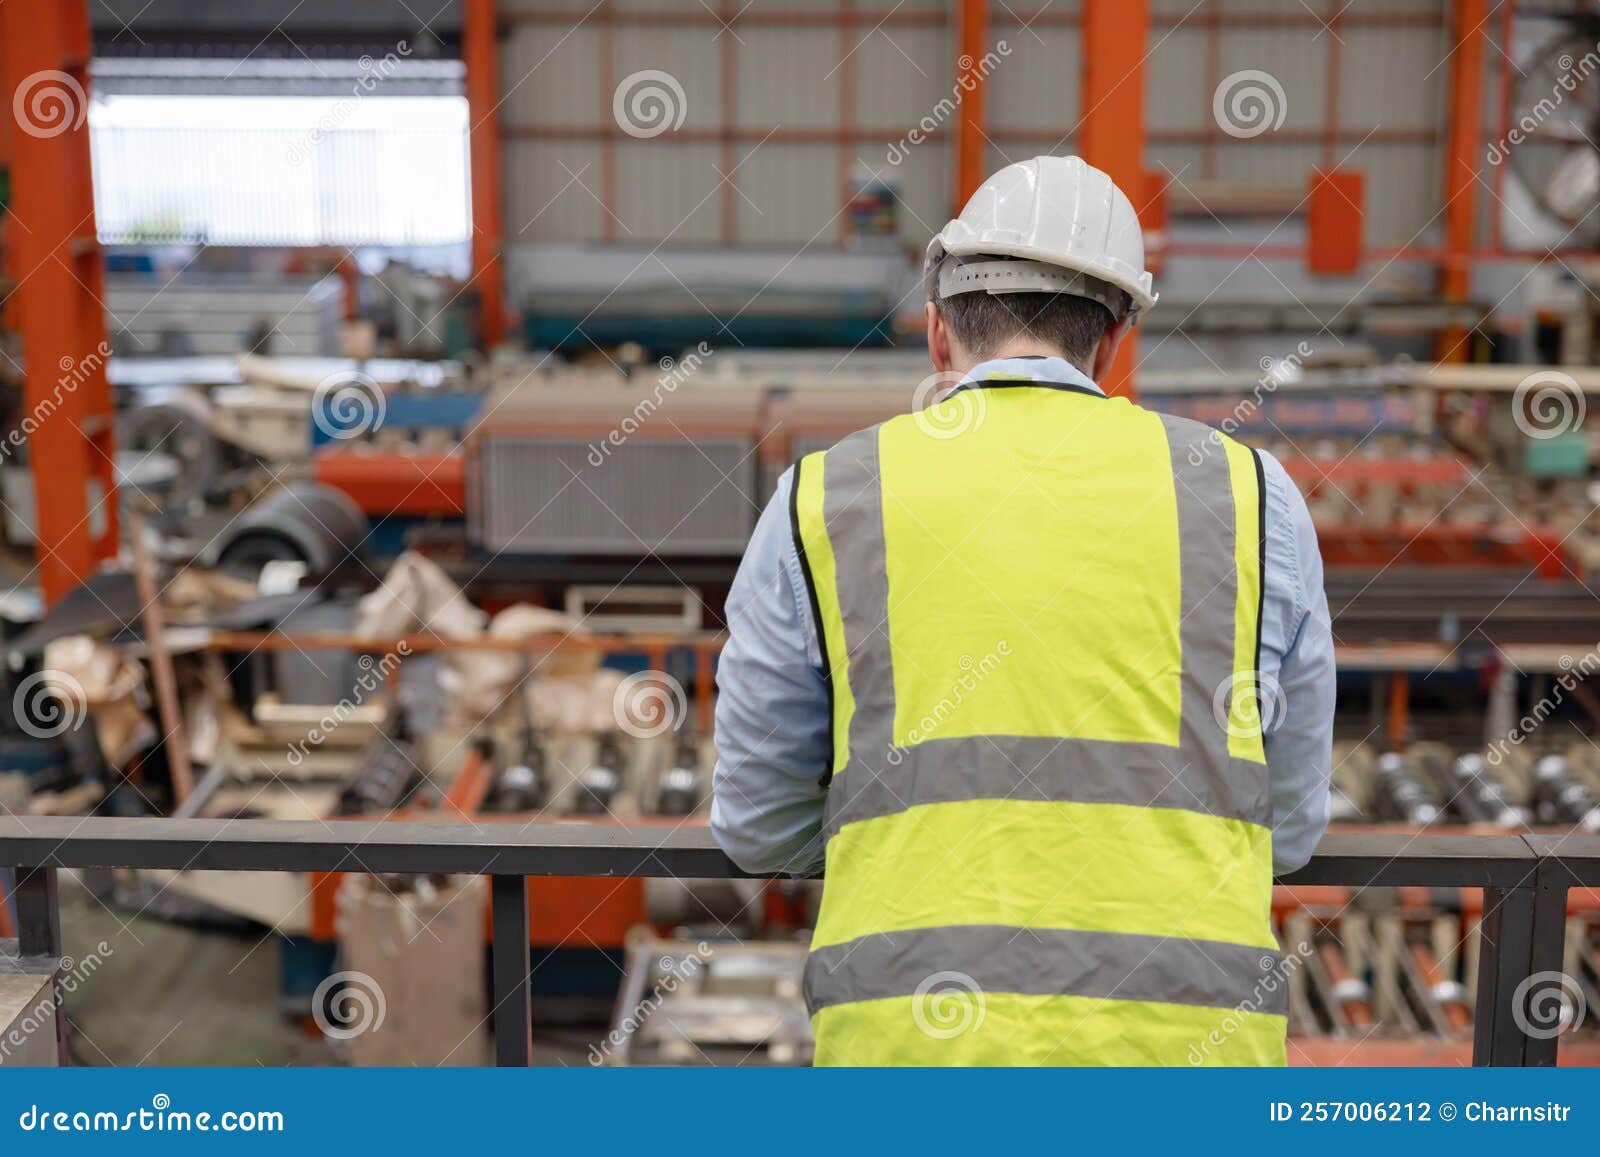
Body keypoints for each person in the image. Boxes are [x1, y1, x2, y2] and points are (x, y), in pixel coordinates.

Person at [711, 155, 1334, 1065]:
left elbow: (758, 823)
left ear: (937, 333)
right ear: (1113, 340)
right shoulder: (1250, 493)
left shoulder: (822, 496)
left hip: (911, 1058)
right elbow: (1293, 822)